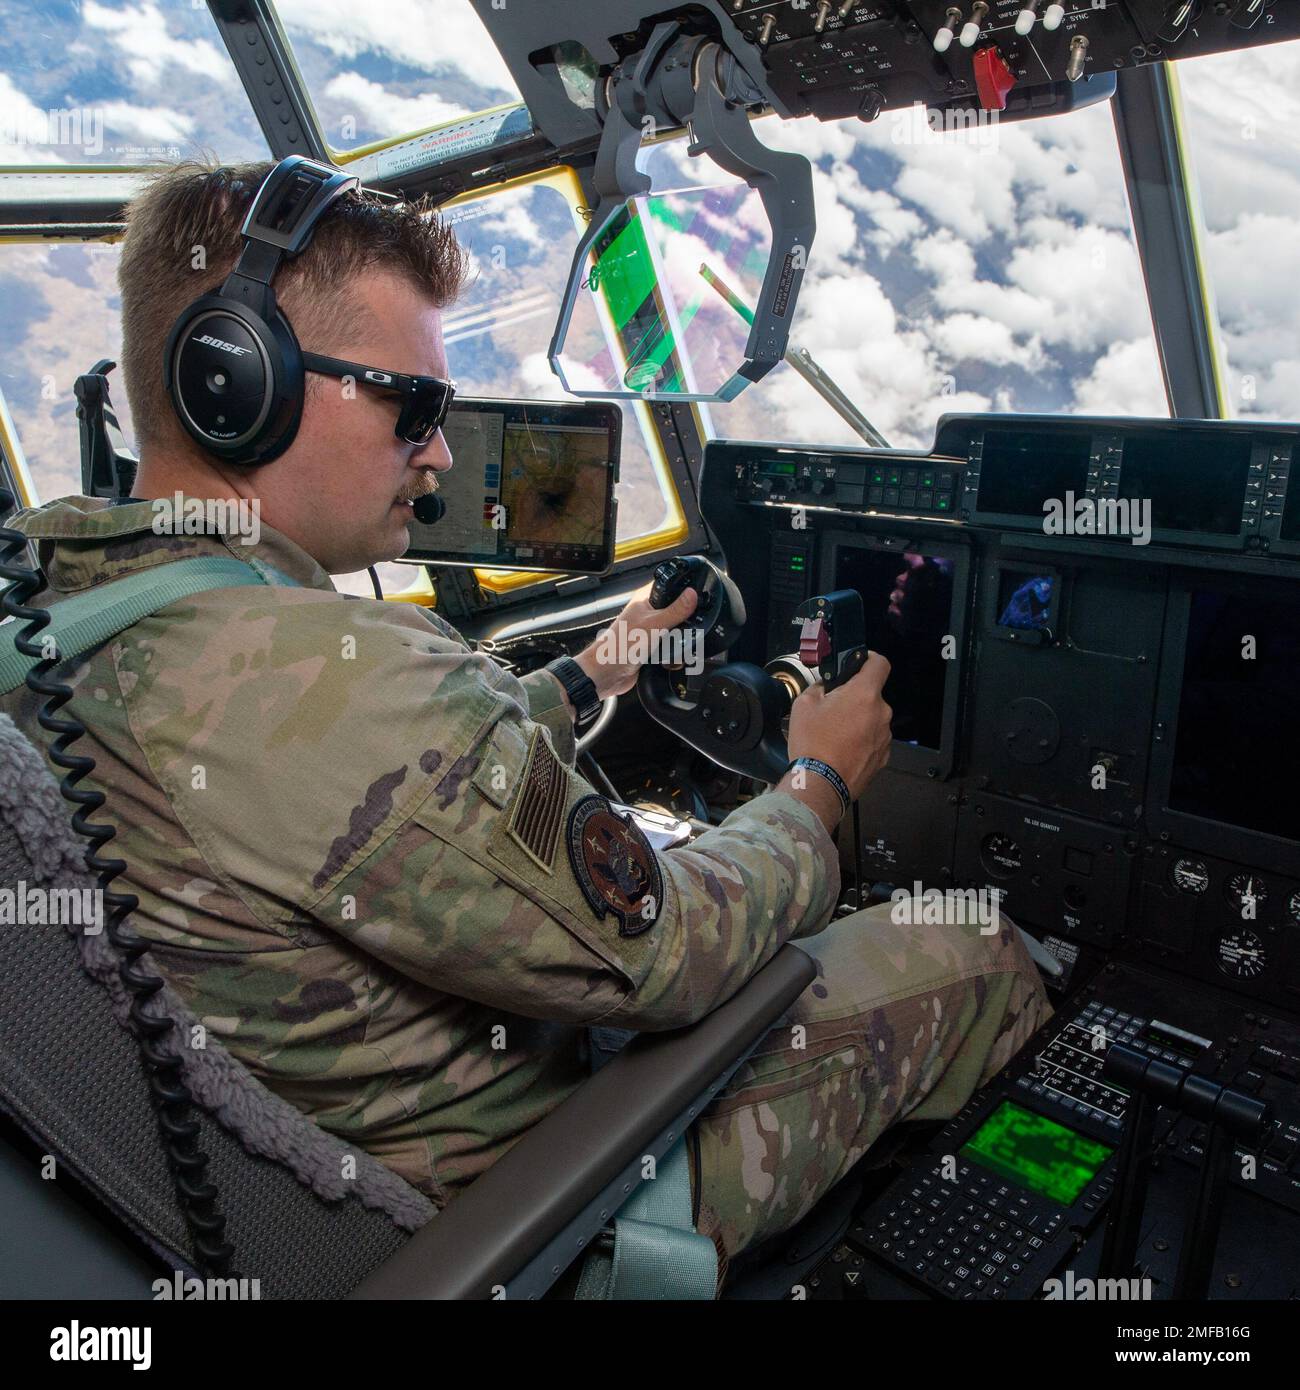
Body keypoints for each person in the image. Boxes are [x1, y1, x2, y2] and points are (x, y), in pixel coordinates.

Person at [1, 161, 1051, 1285]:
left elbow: (380, 786)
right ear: (236, 381)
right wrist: (819, 784)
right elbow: (679, 953)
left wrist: (590, 675)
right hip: (542, 1185)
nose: (440, 452)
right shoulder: (339, 685)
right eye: (412, 406)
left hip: (335, 1152)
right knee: (973, 946)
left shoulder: (61, 623)